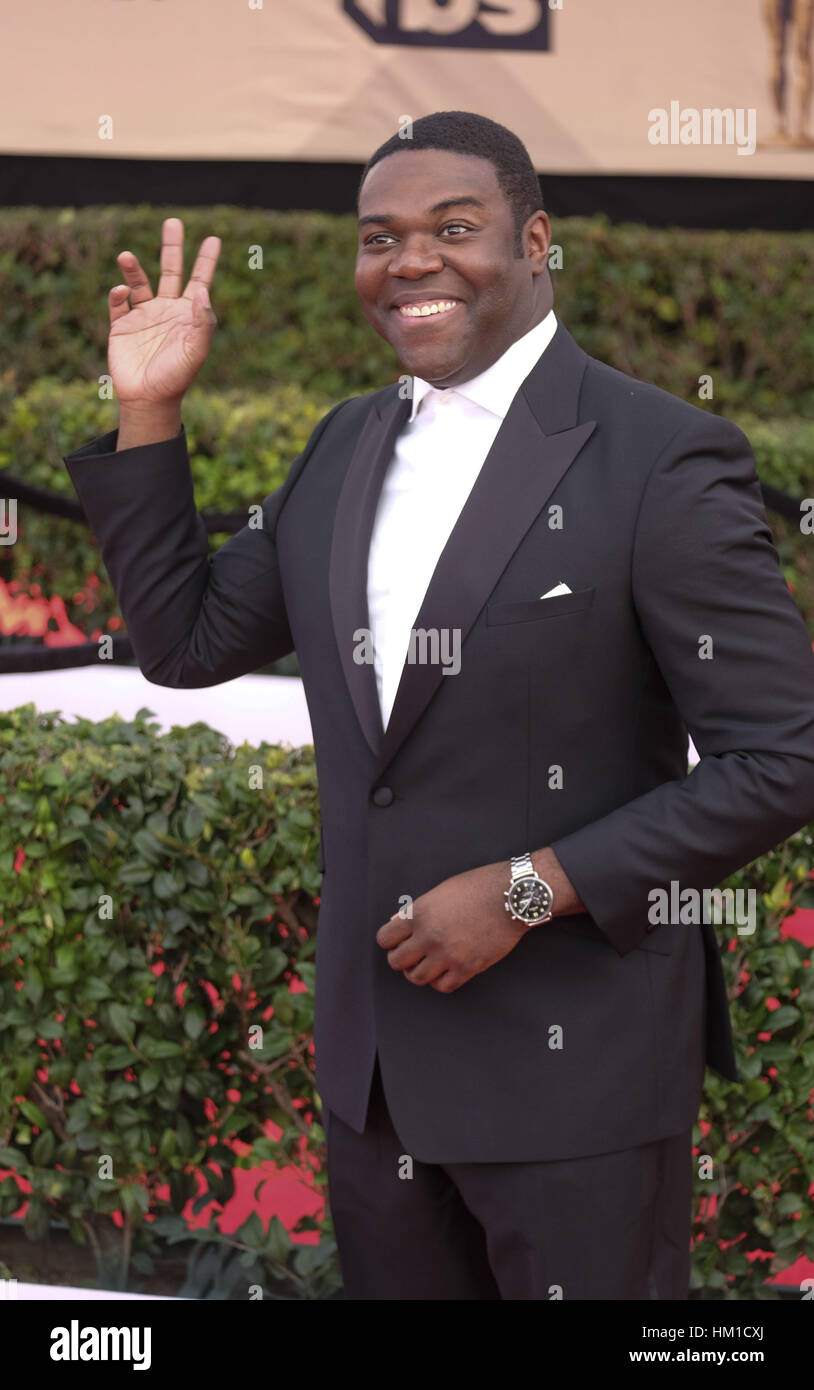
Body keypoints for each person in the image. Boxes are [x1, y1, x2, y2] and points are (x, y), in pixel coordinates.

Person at [64, 110, 814, 1300]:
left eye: (451, 228)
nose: (410, 259)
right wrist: (149, 409)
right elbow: (187, 644)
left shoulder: (660, 458)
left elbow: (781, 756)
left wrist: (529, 889)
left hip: (577, 1078)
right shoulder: (344, 446)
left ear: (533, 240)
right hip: (379, 1088)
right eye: (380, 237)